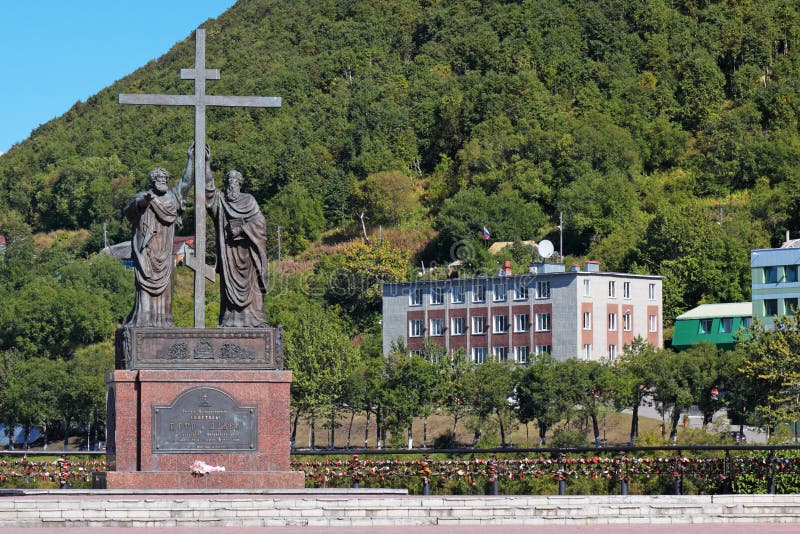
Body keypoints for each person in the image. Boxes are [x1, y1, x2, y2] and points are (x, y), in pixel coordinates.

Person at [123, 145, 194, 327]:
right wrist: (145, 201)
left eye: (165, 178)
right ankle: (144, 319)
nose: (163, 180)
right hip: (147, 252)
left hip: (165, 252)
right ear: (152, 181)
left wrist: (190, 160)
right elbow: (130, 210)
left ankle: (163, 321)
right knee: (144, 285)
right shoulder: (143, 196)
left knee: (167, 289)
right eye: (159, 178)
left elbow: (186, 183)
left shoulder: (172, 198)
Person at [205, 146, 269, 327]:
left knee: (252, 285)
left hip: (248, 253)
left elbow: (260, 223)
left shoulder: (249, 200)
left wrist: (241, 229)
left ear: (240, 184)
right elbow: (208, 193)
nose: (231, 184)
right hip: (229, 255)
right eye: (228, 181)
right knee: (228, 290)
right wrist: (206, 164)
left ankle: (254, 320)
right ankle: (230, 320)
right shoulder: (222, 201)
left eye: (234, 181)